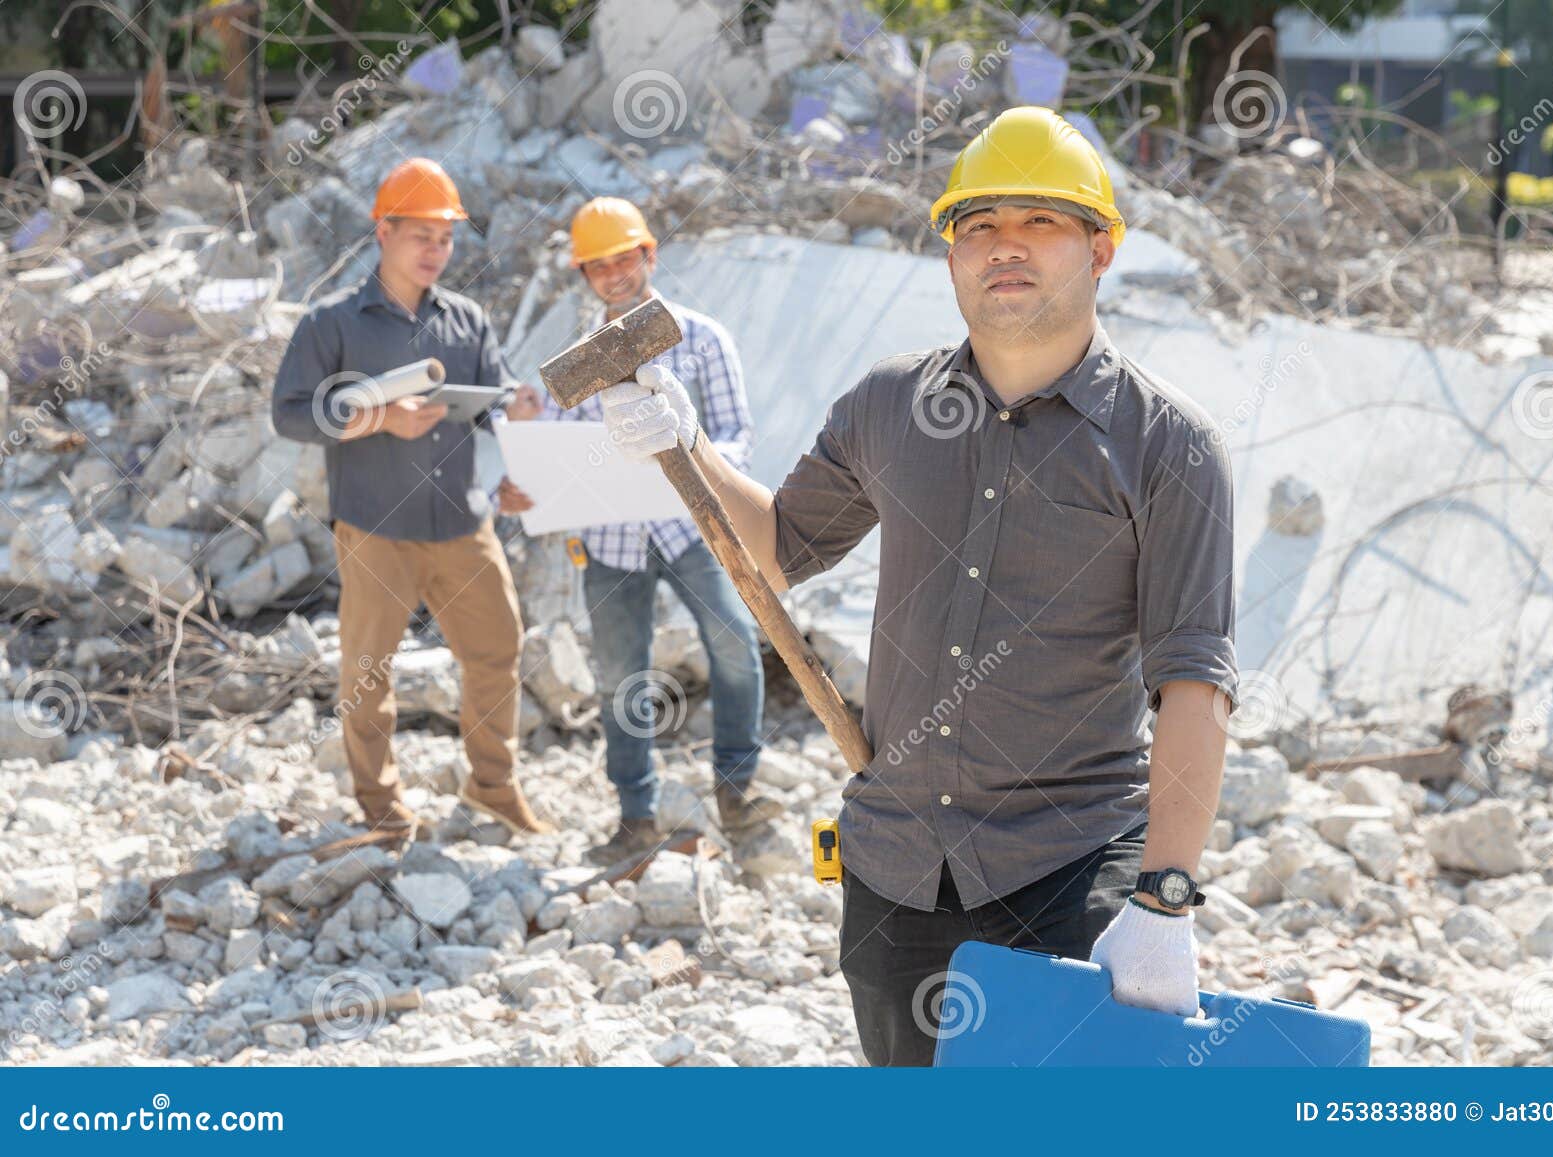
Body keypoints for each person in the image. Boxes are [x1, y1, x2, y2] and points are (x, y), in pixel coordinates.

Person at [589, 107, 1238, 1064]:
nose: (1005, 245)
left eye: (1040, 221)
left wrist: (1164, 900)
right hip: (894, 871)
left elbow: (1193, 683)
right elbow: (781, 546)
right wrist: (685, 446)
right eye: (979, 225)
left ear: (1101, 249)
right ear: (950, 253)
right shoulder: (891, 405)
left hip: (1066, 871)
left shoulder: (1169, 445)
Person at [272, 157, 554, 839]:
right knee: (369, 672)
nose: (436, 250)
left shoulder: (467, 321)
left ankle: (492, 787)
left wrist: (518, 412)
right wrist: (377, 418)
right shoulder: (332, 322)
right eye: (422, 235)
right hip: (375, 527)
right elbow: (289, 413)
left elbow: (491, 402)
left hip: (462, 522)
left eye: (446, 238)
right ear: (384, 232)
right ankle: (381, 806)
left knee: (497, 651)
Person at [504, 197, 778, 865]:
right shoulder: (577, 362)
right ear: (584, 274)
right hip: (611, 542)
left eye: (622, 259)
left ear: (650, 255)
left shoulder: (702, 339)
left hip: (693, 530)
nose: (612, 275)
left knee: (735, 645)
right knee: (620, 676)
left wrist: (698, 462)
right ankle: (636, 816)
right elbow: (561, 453)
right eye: (596, 266)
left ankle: (738, 792)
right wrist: (526, 458)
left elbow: (737, 434)